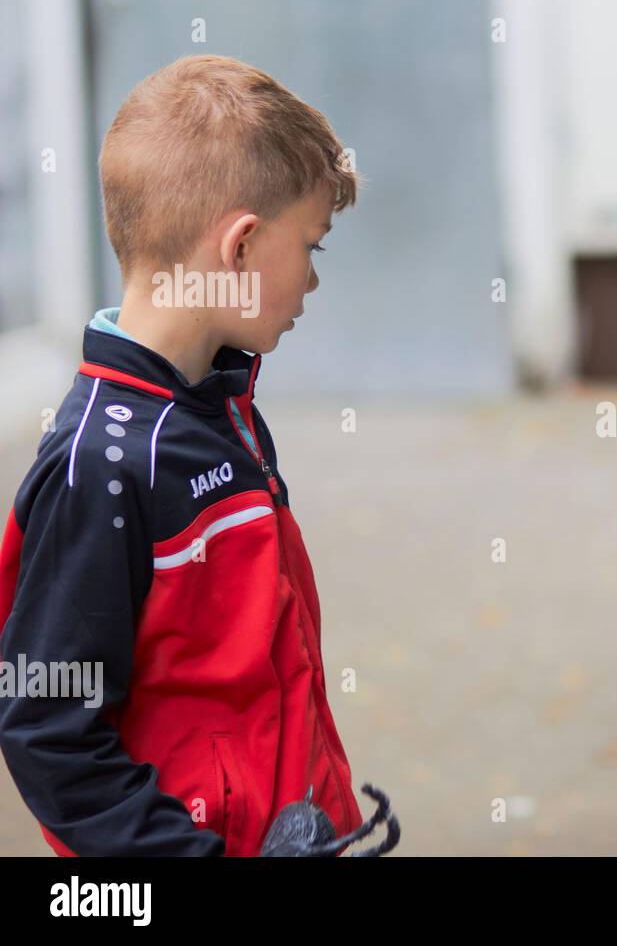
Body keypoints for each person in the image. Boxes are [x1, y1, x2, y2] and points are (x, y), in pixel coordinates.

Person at [0, 54, 363, 855]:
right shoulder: (97, 465)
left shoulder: (220, 411)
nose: (311, 280)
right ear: (239, 247)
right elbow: (50, 735)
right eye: (312, 246)